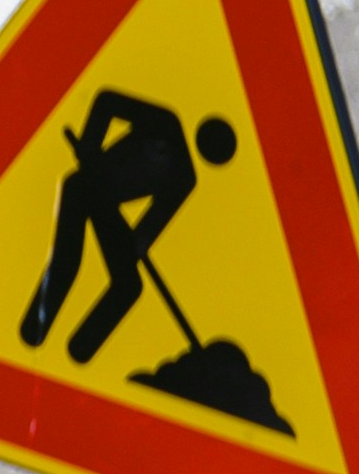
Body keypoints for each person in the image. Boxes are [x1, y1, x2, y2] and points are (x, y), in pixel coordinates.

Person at [20, 90, 239, 366]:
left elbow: (147, 230)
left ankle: (79, 351)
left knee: (128, 286)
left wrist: (135, 243)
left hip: (107, 206)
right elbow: (106, 101)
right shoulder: (165, 122)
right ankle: (32, 334)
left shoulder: (185, 178)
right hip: (85, 185)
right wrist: (90, 145)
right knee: (68, 261)